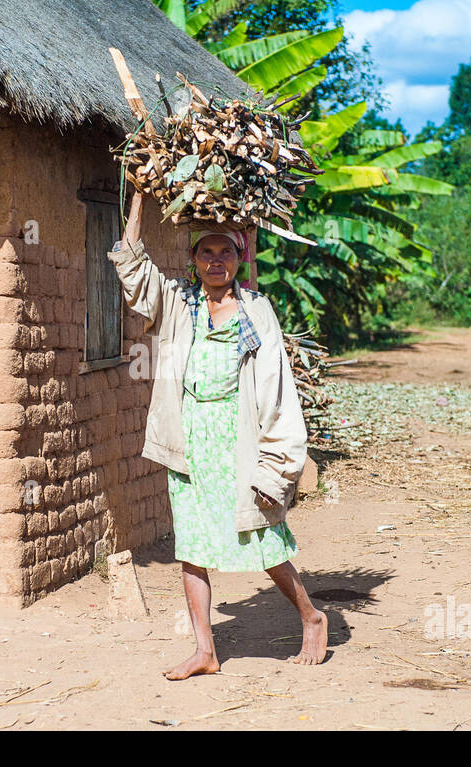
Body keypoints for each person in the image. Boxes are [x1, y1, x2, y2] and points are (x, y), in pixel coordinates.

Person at [107, 191, 327, 680]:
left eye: (225, 252)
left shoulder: (256, 311)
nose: (215, 261)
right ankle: (205, 650)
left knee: (262, 538)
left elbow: (274, 387)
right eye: (206, 252)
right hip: (189, 443)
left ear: (239, 257)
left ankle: (311, 617)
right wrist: (139, 200)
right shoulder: (178, 303)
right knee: (191, 546)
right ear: (193, 260)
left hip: (240, 443)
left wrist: (279, 459)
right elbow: (131, 267)